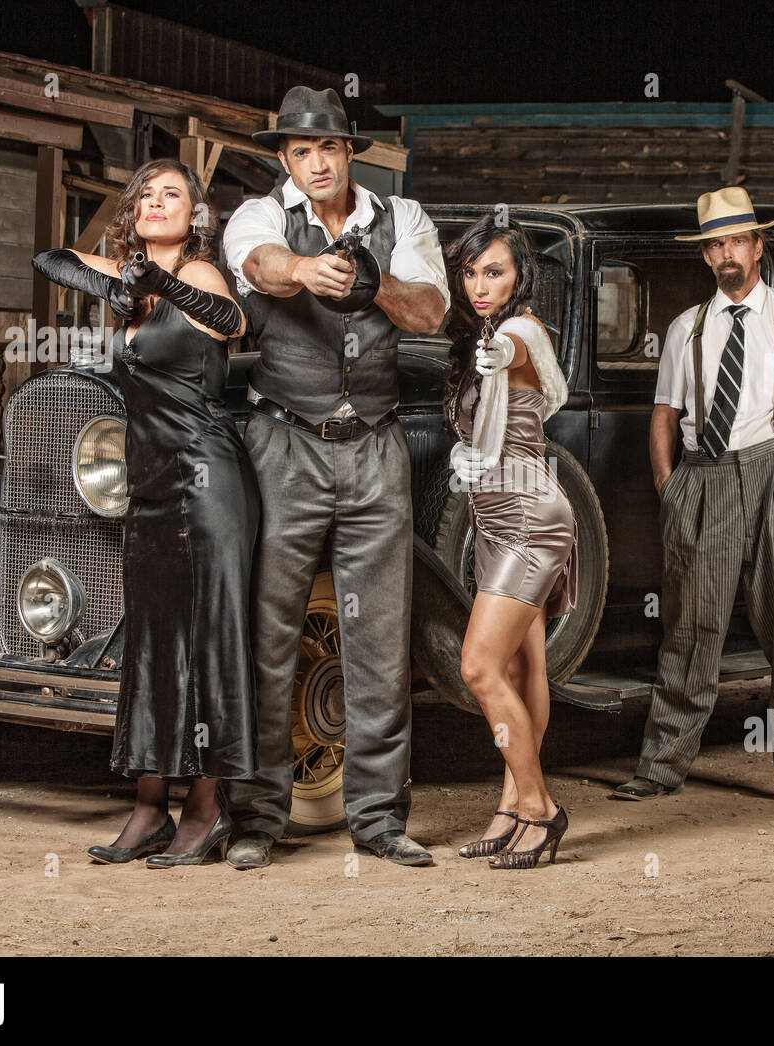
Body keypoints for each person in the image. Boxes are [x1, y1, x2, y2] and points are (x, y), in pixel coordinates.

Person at [220, 86, 448, 869]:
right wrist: (308, 269)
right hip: (283, 442)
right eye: (299, 152)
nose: (315, 163)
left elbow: (429, 312)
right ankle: (256, 818)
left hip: (376, 445)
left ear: (351, 152)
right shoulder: (259, 214)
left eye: (328, 149)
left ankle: (379, 820)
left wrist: (371, 283)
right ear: (285, 159)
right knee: (269, 630)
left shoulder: (403, 218)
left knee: (381, 638)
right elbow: (260, 266)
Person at [32, 159, 260, 867]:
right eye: (146, 196)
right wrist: (123, 278)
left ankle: (205, 809)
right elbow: (50, 257)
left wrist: (159, 279)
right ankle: (148, 806)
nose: (157, 204)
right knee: (153, 649)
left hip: (208, 481)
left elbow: (235, 322)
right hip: (152, 489)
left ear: (196, 215)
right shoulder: (130, 292)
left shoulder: (200, 277)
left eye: (174, 196)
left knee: (210, 645)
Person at [612, 186, 774, 807]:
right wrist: (670, 485)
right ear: (706, 255)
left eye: (737, 240)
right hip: (704, 475)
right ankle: (660, 768)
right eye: (715, 243)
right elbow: (664, 413)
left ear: (758, 245)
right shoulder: (686, 328)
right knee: (691, 627)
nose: (727, 253)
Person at [444, 214, 576, 869]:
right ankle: (509, 808)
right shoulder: (488, 332)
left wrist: (500, 353)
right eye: (470, 271)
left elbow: (522, 354)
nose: (479, 284)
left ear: (521, 276)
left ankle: (541, 809)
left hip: (528, 517)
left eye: (494, 270)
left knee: (478, 668)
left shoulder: (518, 333)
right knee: (523, 670)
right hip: (496, 521)